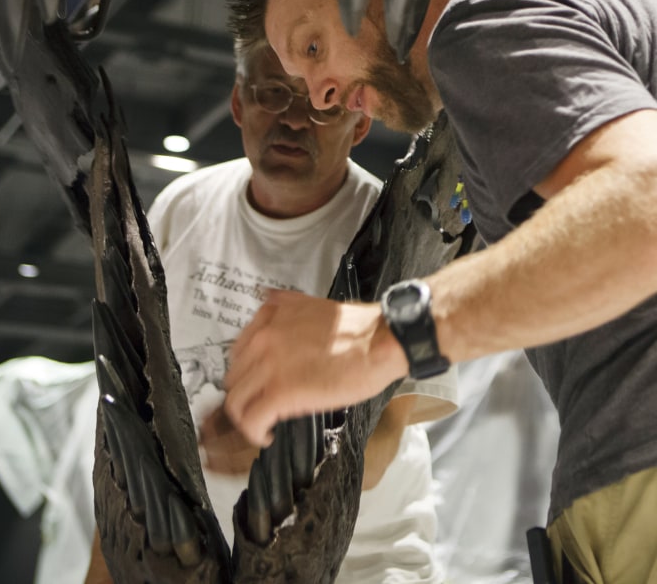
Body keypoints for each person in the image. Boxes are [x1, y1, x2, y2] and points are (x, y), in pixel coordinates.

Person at [223, 0, 657, 584]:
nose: (319, 96)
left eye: (313, 48)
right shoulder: (540, 3)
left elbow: (644, 203)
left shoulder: (486, 12)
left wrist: (379, 339)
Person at [84, 37, 457, 584]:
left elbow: (387, 435)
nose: (294, 119)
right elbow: (129, 414)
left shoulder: (401, 234)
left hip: (362, 568)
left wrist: (266, 436)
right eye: (273, 94)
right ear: (238, 103)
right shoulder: (181, 208)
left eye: (319, 104)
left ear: (359, 124)